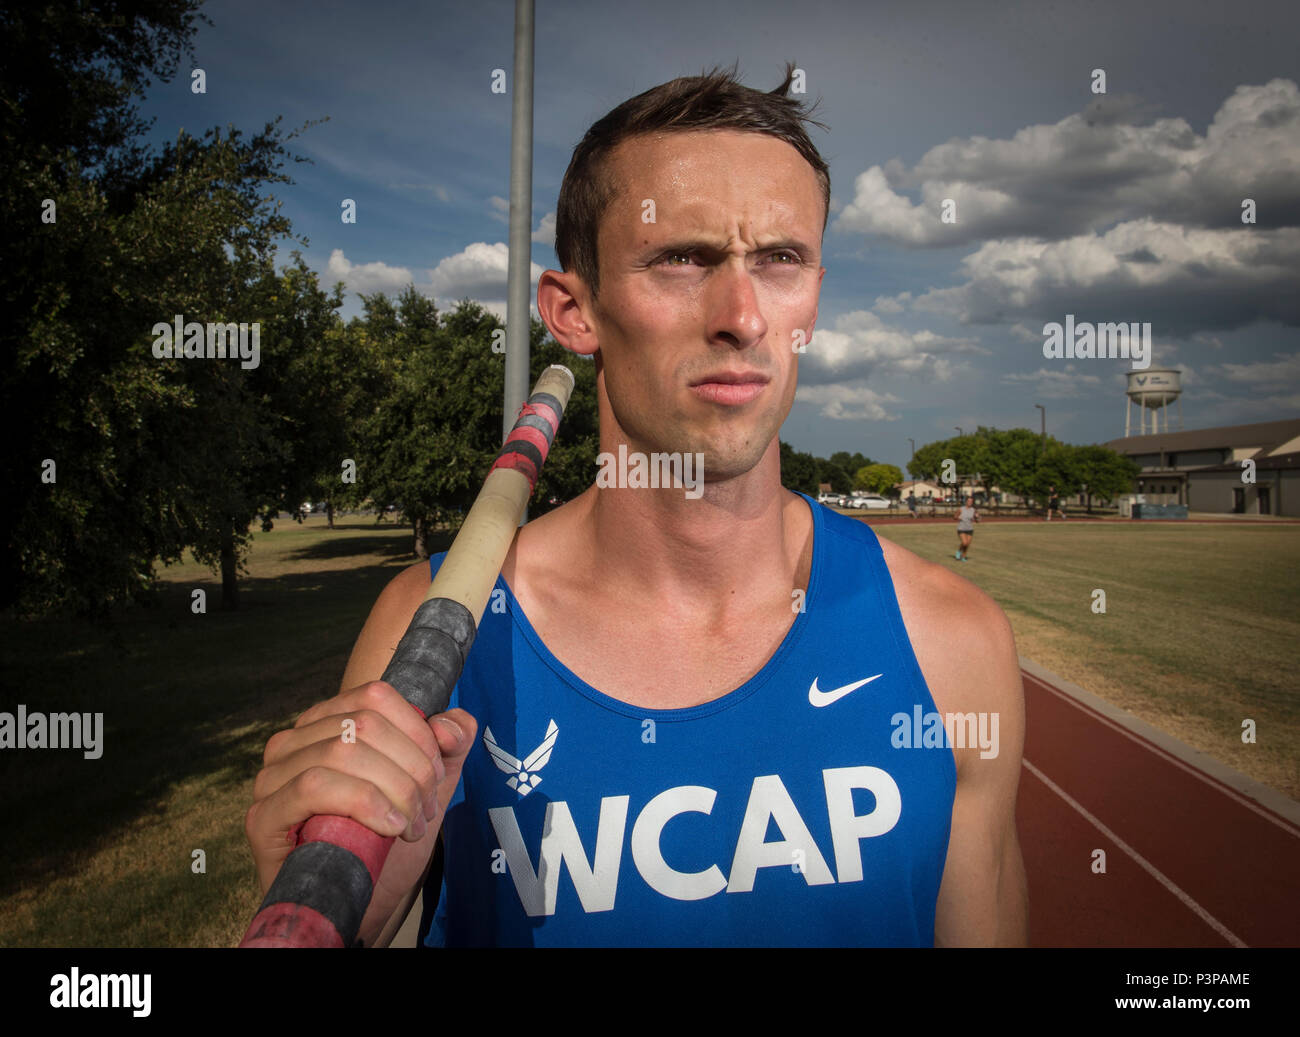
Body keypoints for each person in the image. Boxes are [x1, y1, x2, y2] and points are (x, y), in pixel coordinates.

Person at [244, 63, 1027, 948]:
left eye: (780, 259)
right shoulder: (436, 633)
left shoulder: (953, 641)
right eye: (682, 257)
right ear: (575, 312)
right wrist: (363, 929)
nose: (743, 315)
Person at [955, 496, 978, 561]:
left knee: (967, 544)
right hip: (961, 528)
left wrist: (976, 517)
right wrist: (958, 517)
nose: (970, 502)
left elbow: (977, 520)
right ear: (966, 502)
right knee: (964, 542)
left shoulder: (973, 510)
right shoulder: (961, 509)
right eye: (968, 501)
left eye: (971, 501)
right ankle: (959, 552)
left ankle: (963, 557)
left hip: (970, 529)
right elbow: (954, 517)